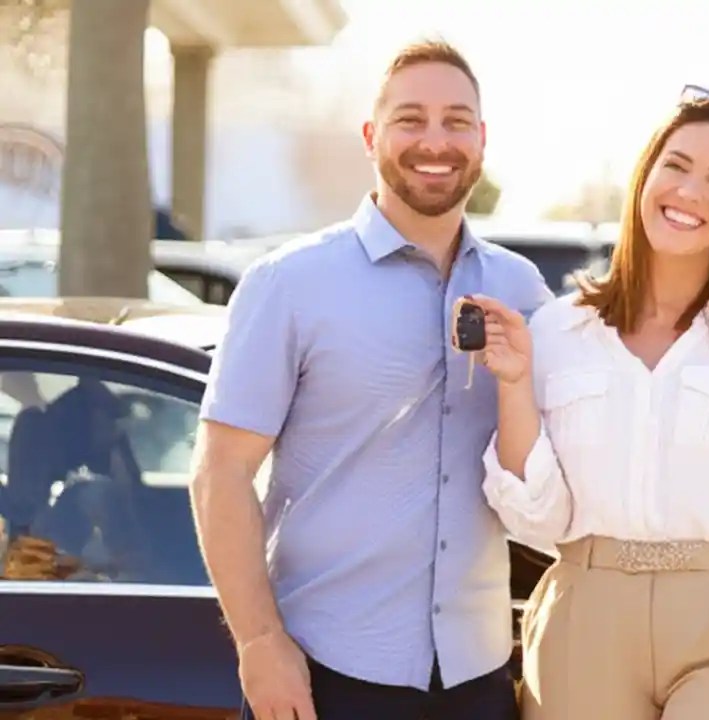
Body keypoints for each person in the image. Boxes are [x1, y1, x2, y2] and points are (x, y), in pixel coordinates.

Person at [189, 39, 551, 720]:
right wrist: (259, 642)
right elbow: (221, 473)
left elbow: (548, 470)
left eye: (456, 120)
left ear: (482, 138)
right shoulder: (289, 284)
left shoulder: (521, 289)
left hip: (477, 679)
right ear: (371, 136)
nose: (435, 141)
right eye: (410, 119)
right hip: (327, 672)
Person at [471, 88, 709, 719]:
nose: (689, 192)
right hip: (587, 619)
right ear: (644, 178)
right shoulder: (558, 332)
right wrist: (514, 385)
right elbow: (538, 521)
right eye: (675, 166)